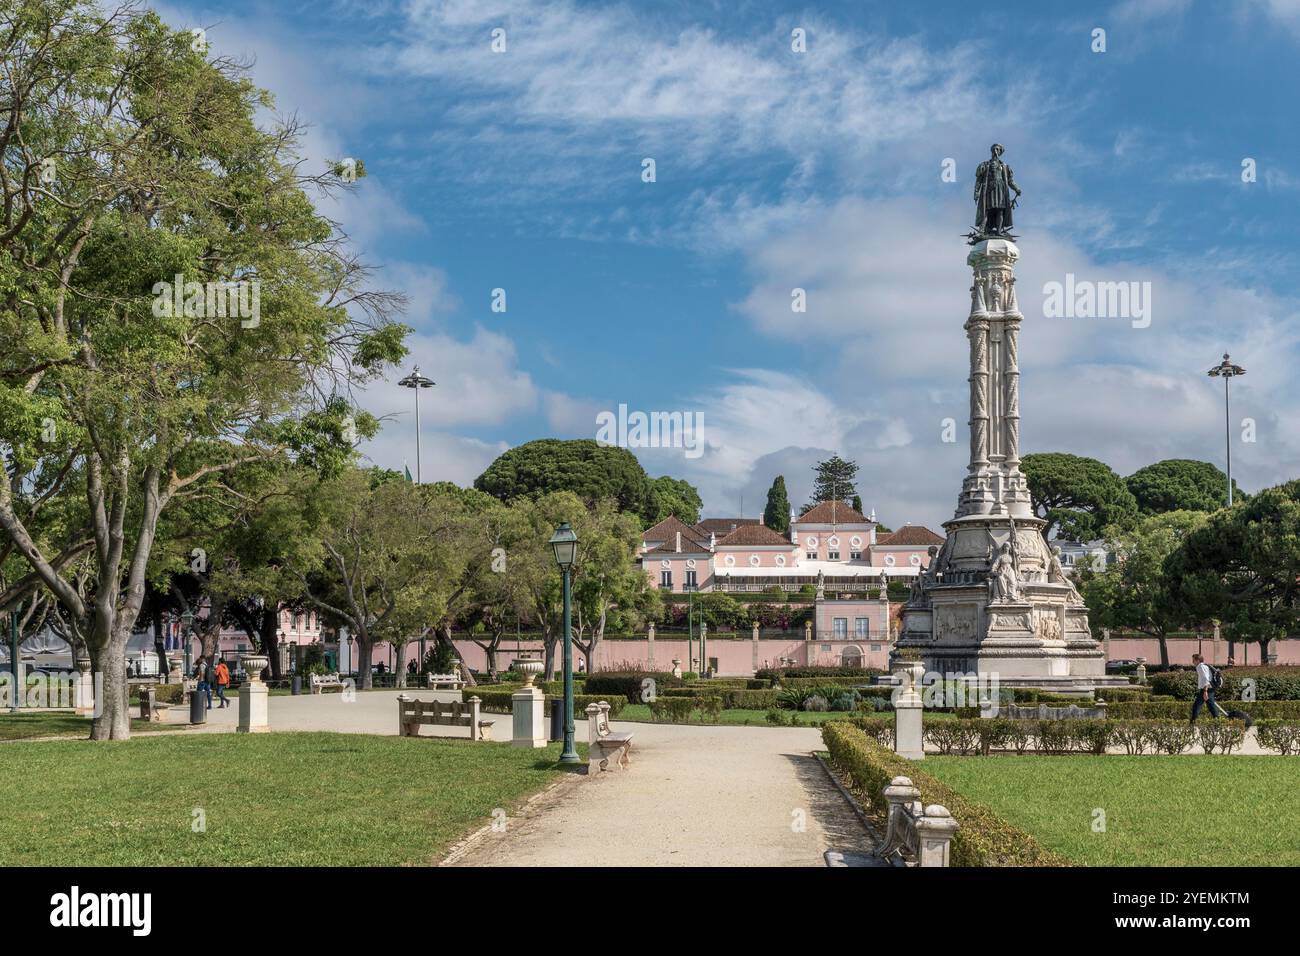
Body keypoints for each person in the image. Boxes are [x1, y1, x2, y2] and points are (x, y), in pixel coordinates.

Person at [1190, 653, 1226, 722]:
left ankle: (1193, 723)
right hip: (1209, 688)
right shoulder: (1204, 666)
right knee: (1210, 706)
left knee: (1197, 706)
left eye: (1193, 660)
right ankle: (1218, 721)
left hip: (1207, 689)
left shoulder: (1200, 666)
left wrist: (1205, 691)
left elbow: (1205, 679)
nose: (1192, 662)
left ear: (1197, 660)